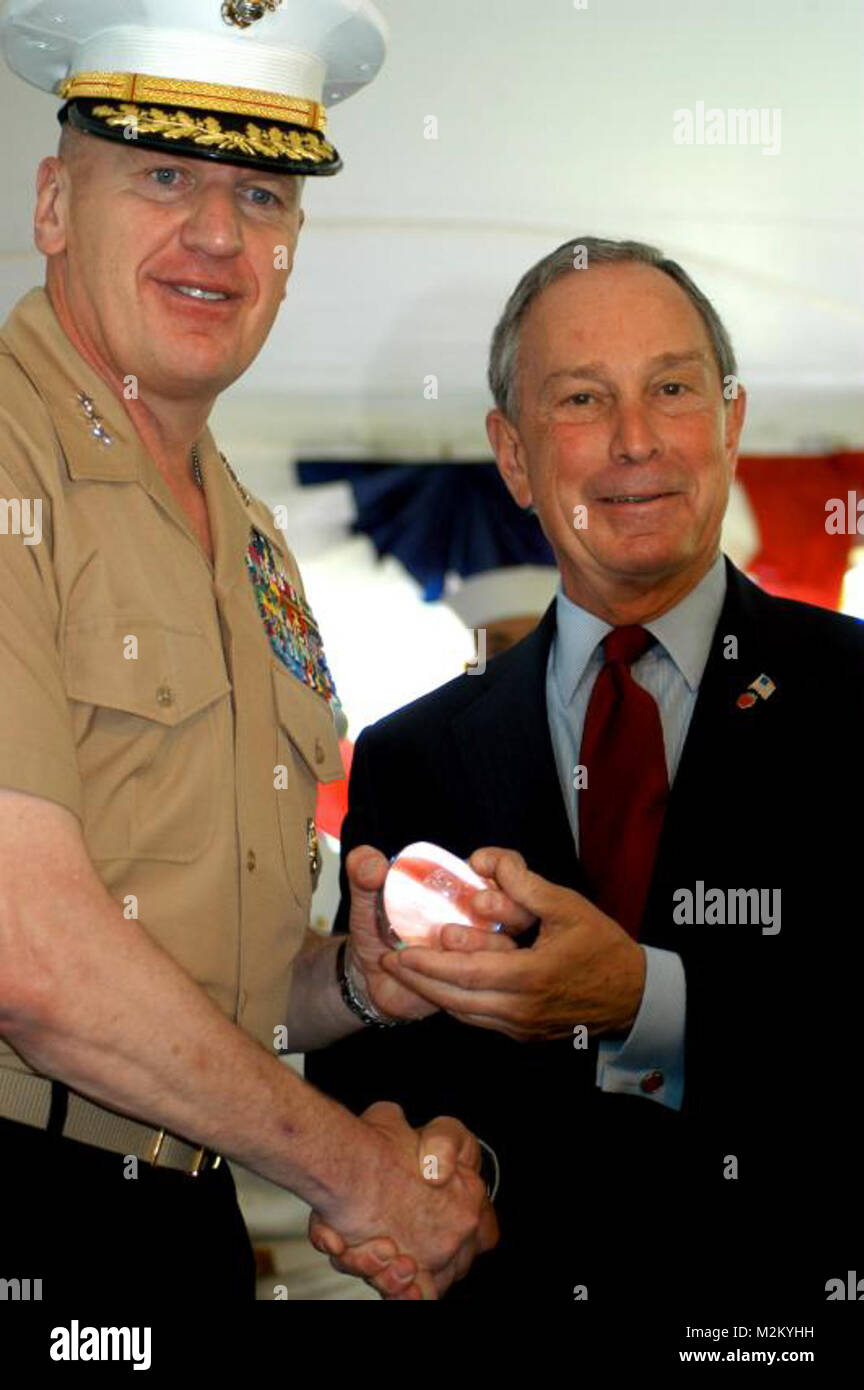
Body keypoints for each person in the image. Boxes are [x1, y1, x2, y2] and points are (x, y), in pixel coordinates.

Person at [0, 0, 500, 1305]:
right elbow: (28, 955)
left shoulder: (255, 537)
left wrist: (356, 976)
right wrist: (358, 1170)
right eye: (165, 174)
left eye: (265, 193)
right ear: (55, 202)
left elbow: (218, 985)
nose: (219, 234)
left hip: (177, 1215)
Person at [306, 236, 864, 1309]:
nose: (636, 440)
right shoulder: (412, 754)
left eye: (671, 387)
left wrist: (646, 1001)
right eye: (581, 399)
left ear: (732, 421)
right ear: (513, 456)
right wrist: (402, 1149)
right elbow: (373, 1056)